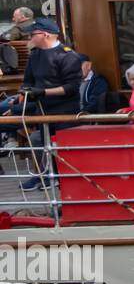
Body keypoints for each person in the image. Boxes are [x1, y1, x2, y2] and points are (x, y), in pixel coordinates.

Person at [15, 18, 82, 193]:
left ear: (44, 35)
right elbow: (28, 80)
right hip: (42, 111)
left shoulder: (67, 56)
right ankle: (45, 176)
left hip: (64, 113)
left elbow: (71, 88)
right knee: (39, 140)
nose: (29, 36)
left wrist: (43, 92)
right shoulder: (35, 55)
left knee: (62, 150)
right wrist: (25, 91)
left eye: (32, 34)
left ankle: (66, 183)